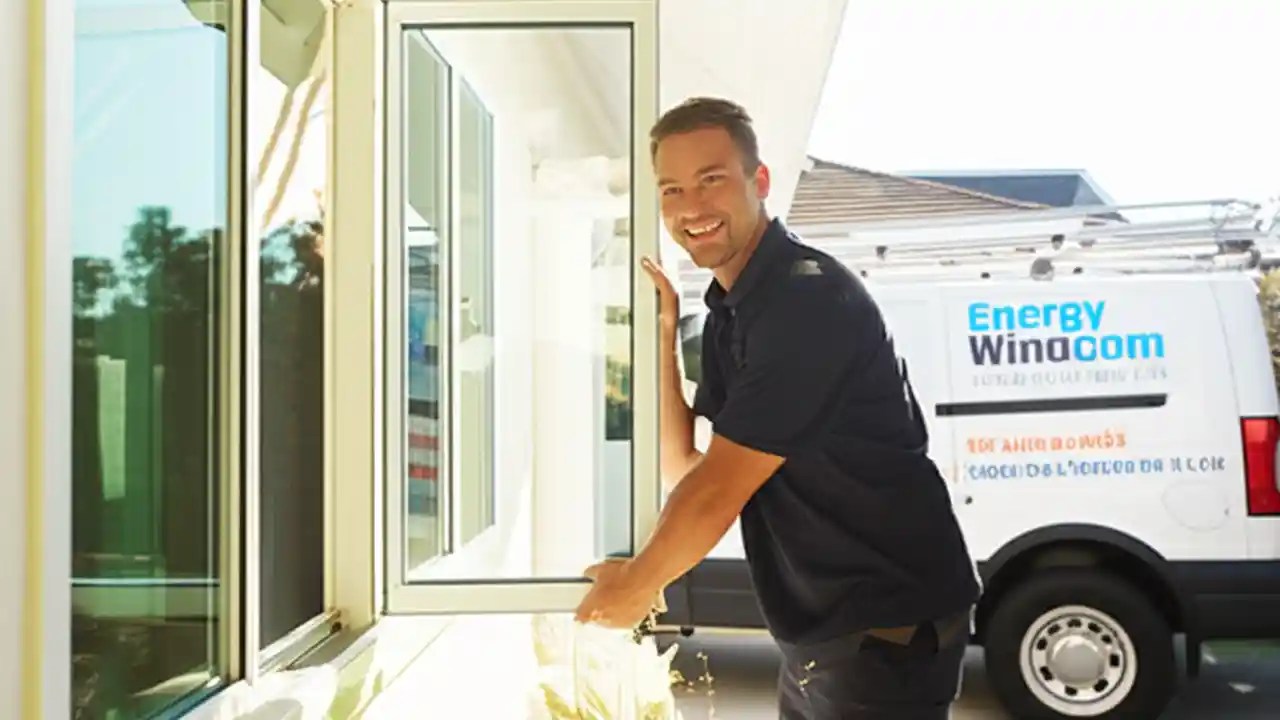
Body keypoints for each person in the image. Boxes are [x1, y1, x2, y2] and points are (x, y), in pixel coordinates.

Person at [574, 96, 982, 719]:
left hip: (884, 629)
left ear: (758, 182)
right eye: (672, 189)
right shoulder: (732, 311)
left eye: (711, 180)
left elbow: (716, 489)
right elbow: (683, 466)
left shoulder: (806, 301)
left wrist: (638, 585)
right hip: (823, 629)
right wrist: (662, 330)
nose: (691, 208)